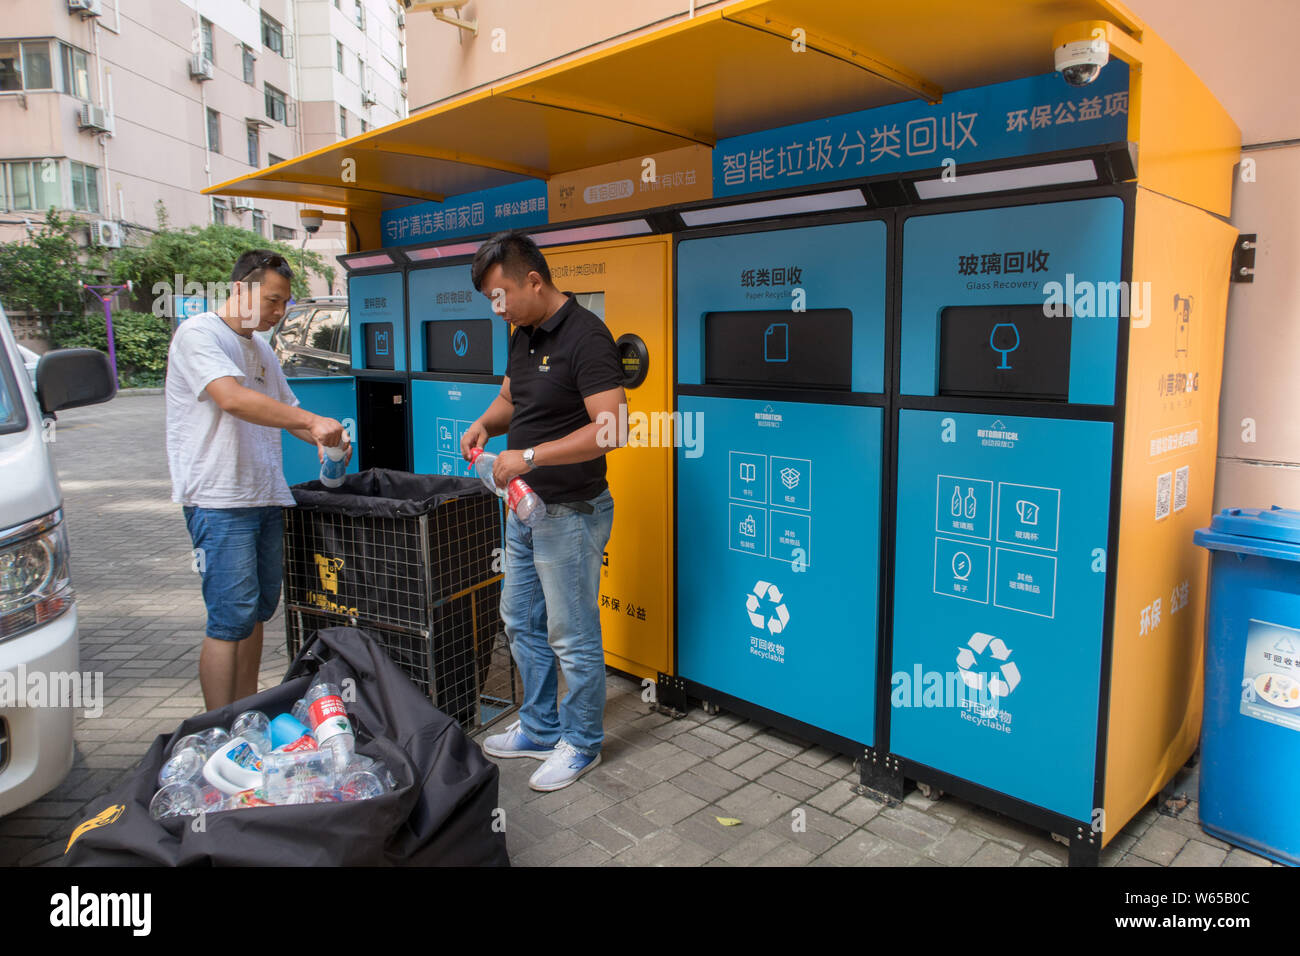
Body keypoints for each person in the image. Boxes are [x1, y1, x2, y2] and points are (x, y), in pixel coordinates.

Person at [462, 231, 624, 792]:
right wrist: (486, 423)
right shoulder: (521, 334)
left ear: (533, 280)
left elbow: (612, 429)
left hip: (571, 512)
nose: (497, 307)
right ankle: (538, 727)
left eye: (500, 294)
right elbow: (512, 398)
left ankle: (581, 744)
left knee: (571, 633)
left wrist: (527, 455)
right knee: (520, 620)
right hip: (524, 509)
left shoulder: (588, 337)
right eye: (490, 299)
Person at [165, 250, 350, 711]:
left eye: (285, 302)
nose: (279, 312)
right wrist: (311, 419)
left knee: (256, 613)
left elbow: (285, 410)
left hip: (265, 494)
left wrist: (324, 439)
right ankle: (216, 727)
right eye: (272, 301)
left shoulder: (261, 348)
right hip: (218, 498)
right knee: (229, 620)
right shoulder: (198, 334)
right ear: (240, 289)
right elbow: (231, 398)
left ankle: (246, 715)